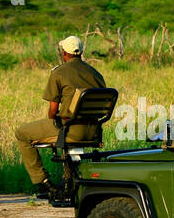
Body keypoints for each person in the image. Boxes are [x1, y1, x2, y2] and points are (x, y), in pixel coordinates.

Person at [14, 35, 105, 197]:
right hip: (93, 131)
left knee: (22, 133)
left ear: (64, 53)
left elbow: (52, 109)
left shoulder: (59, 73)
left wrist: (54, 121)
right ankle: (69, 181)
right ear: (81, 52)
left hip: (69, 130)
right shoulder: (96, 74)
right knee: (63, 131)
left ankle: (41, 181)